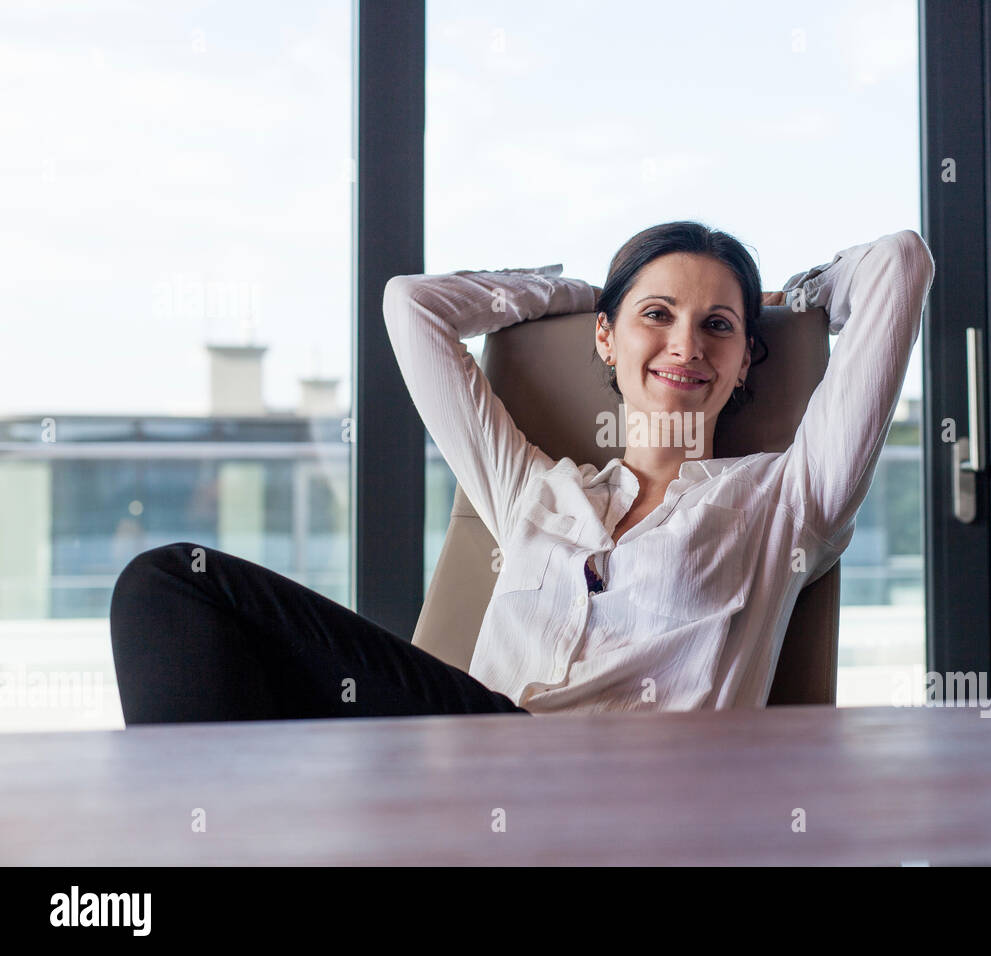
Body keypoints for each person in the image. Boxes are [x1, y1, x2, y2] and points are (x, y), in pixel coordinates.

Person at [110, 222, 934, 724]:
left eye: (718, 325)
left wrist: (809, 297)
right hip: (468, 770)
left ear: (746, 357)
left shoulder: (786, 501)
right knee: (169, 585)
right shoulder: (538, 490)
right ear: (607, 340)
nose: (686, 344)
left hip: (630, 808)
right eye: (656, 314)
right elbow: (412, 305)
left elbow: (901, 262)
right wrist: (570, 295)